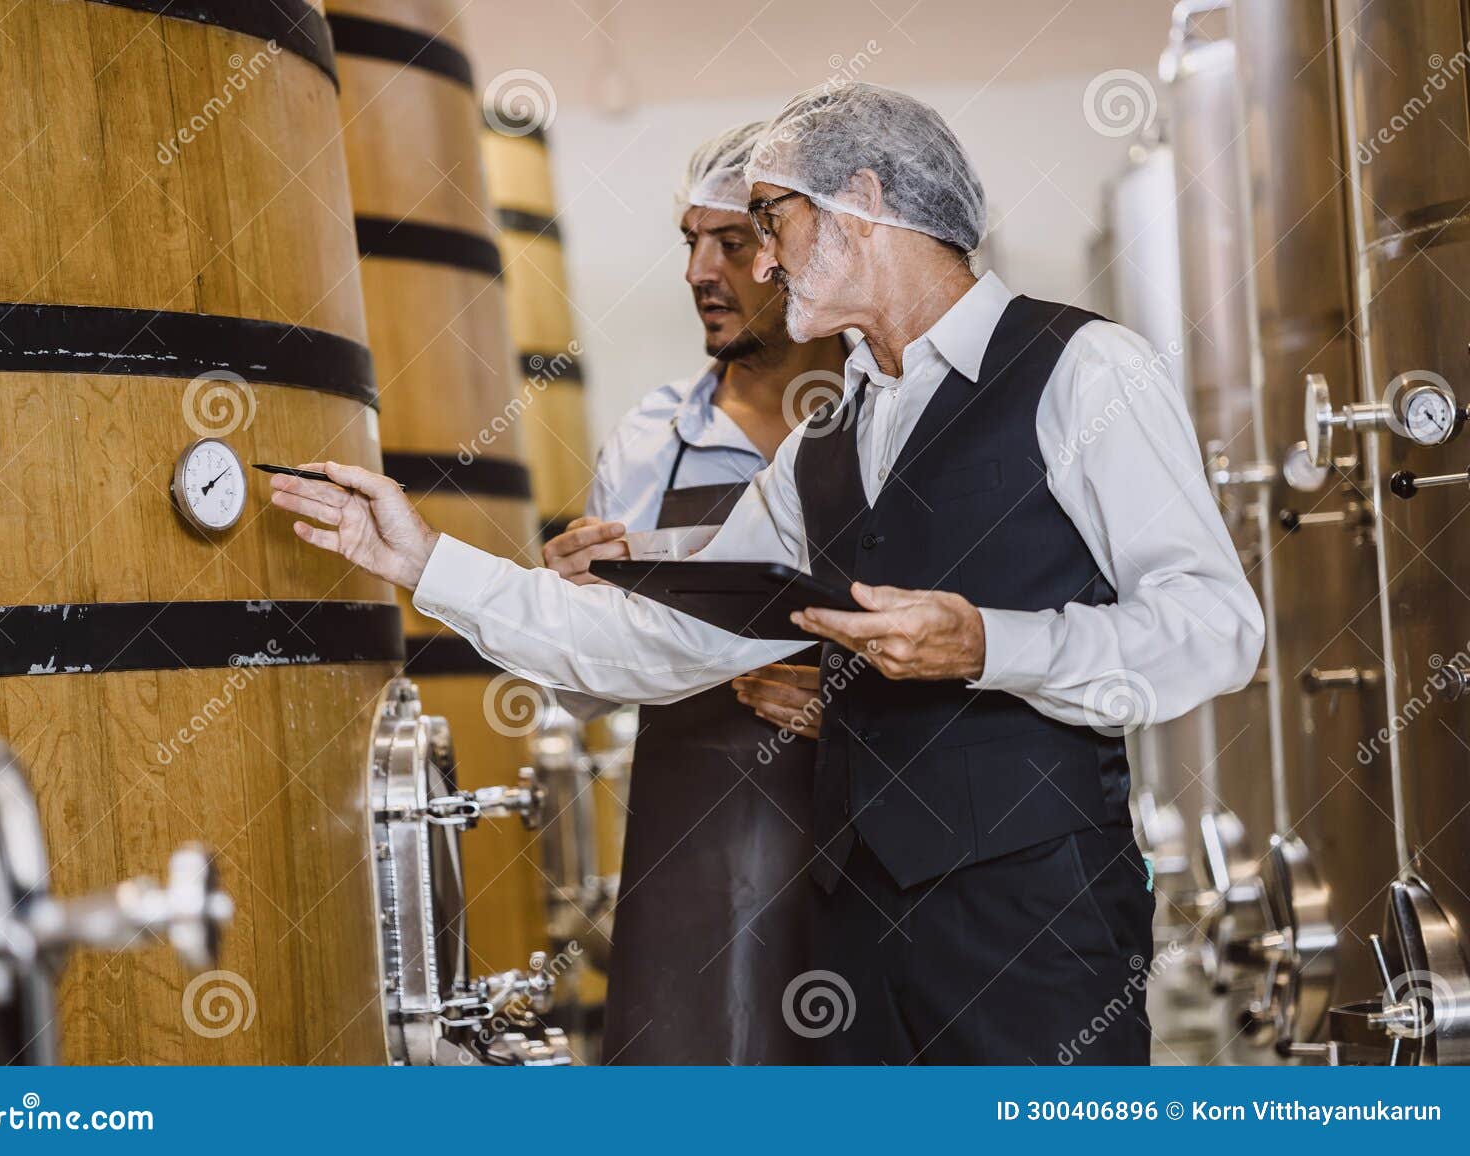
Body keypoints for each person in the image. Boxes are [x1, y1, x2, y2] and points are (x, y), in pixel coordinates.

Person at [269, 82, 1264, 1065]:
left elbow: (1216, 626)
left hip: (1037, 924)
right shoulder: (823, 446)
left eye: (769, 219)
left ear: (864, 203)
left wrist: (988, 643)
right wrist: (419, 559)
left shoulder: (1087, 368)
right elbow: (652, 645)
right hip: (853, 924)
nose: (759, 255)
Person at [540, 122, 851, 1065]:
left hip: (875, 844)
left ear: (800, 247)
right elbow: (583, 692)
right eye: (689, 242)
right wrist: (570, 604)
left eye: (731, 243)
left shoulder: (893, 423)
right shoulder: (651, 442)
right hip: (699, 866)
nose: (697, 273)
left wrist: (867, 700)